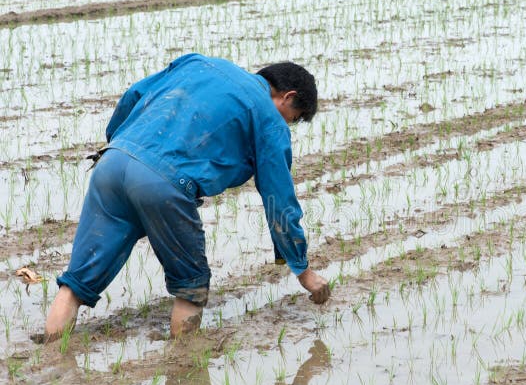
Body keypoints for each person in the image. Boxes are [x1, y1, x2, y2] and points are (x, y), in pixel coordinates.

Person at [44, 53, 331, 341]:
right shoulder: (270, 120)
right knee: (190, 287)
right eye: (292, 119)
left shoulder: (199, 63)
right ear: (286, 96)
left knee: (76, 283)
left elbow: (134, 94)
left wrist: (117, 141)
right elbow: (279, 200)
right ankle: (183, 366)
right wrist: (302, 270)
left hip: (112, 163)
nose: (287, 125)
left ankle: (51, 362)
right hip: (164, 185)